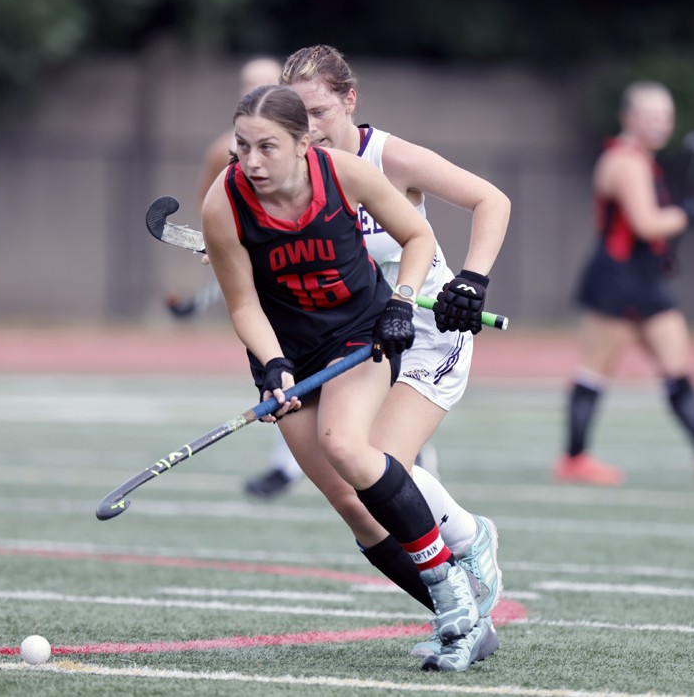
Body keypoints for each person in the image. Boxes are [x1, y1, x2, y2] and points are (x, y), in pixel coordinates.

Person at [202, 83, 493, 671]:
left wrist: (401, 300)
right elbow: (244, 305)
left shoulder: (344, 175)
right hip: (286, 350)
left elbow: (417, 236)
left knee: (346, 446)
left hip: (359, 333)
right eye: (242, 146)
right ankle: (466, 623)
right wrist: (274, 364)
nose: (252, 162)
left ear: (302, 144)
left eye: (267, 147)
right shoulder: (224, 204)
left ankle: (458, 600)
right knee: (350, 504)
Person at [265, 44, 510, 662]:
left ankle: (471, 538)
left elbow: (492, 200)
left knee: (376, 460)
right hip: (359, 338)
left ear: (350, 101)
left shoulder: (386, 157)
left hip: (427, 333)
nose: (307, 129)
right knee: (354, 489)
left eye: (319, 112)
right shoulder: (293, 172)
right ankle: (458, 614)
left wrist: (471, 281)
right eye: (296, 117)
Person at [556, 80, 694, 486]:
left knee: (677, 365)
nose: (659, 123)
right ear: (628, 117)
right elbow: (646, 222)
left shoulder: (642, 161)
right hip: (615, 280)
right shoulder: (626, 162)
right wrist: (684, 215)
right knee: (596, 369)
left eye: (665, 116)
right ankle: (574, 458)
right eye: (649, 115)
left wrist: (662, 247)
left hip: (645, 279)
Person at [167, 57, 283, 318]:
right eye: (250, 83)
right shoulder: (223, 150)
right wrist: (231, 239)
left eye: (268, 82)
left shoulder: (304, 143)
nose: (258, 89)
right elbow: (206, 203)